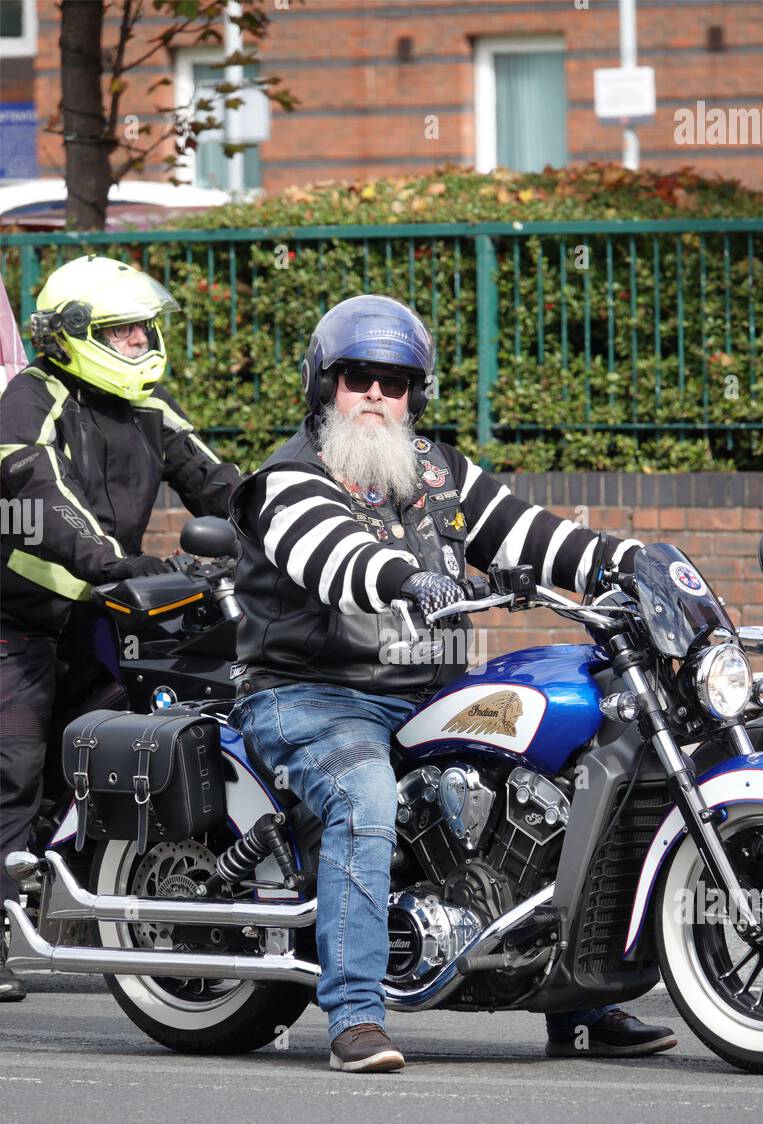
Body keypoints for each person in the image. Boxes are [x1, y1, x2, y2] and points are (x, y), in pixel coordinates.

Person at [228, 293, 676, 1072]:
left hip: (420, 694)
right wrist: (405, 579)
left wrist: (623, 560)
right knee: (365, 795)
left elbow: (532, 535)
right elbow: (333, 556)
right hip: (309, 694)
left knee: (565, 771)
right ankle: (355, 1016)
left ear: (415, 395)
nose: (375, 394)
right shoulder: (288, 477)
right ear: (323, 385)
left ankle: (580, 1000)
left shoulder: (439, 471)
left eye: (394, 381)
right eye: (356, 376)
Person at [0, 255, 240, 1000]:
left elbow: (220, 480)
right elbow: (30, 483)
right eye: (125, 331)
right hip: (18, 620)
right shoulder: (27, 396)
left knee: (112, 761)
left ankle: (110, 907)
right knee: (15, 769)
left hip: (103, 617)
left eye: (144, 327)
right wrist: (111, 560)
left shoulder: (148, 407)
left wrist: (289, 528)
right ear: (72, 334)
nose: (142, 340)